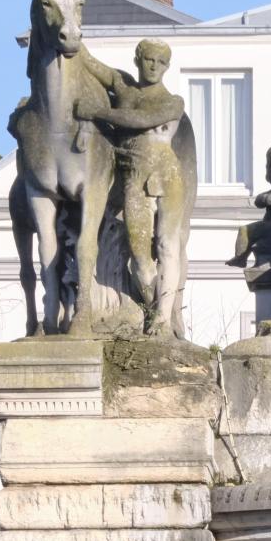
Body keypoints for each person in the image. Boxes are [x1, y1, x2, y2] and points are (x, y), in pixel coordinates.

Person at [75, 39, 190, 335]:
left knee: (167, 245)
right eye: (149, 59)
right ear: (138, 60)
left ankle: (163, 318)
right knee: (139, 258)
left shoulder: (173, 101)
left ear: (167, 67)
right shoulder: (123, 85)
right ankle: (155, 309)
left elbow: (140, 119)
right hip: (134, 178)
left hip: (166, 175)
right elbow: (88, 61)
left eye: (160, 62)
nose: (154, 66)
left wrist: (97, 111)